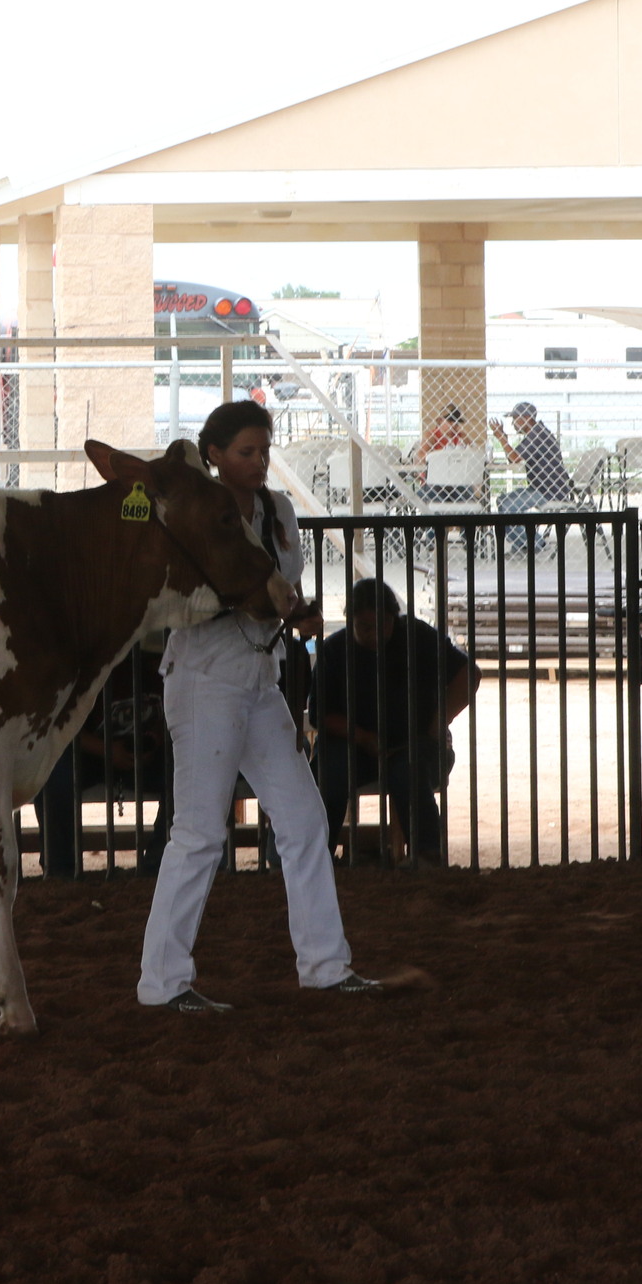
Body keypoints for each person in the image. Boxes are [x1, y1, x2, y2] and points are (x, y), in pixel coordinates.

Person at [137, 400, 398, 1012]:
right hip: (204, 677)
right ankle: (162, 982)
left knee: (305, 821)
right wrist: (269, 606)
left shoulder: (278, 511)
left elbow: (283, 589)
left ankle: (326, 966)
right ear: (215, 456)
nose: (259, 462)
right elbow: (185, 599)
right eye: (246, 453)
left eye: (263, 450)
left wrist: (299, 614)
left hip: (259, 674)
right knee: (200, 831)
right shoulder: (193, 513)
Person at [311, 578, 479, 867]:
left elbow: (469, 673)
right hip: (355, 746)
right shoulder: (334, 650)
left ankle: (427, 853)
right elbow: (321, 714)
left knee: (408, 768)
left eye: (383, 625)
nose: (375, 635)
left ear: (394, 618)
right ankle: (315, 855)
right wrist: (363, 738)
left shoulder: (417, 635)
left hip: (417, 745)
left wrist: (440, 719)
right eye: (365, 628)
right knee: (329, 771)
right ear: (349, 622)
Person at [33, 642, 169, 880]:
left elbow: (175, 715)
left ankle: (159, 864)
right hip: (91, 755)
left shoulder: (160, 669)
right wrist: (107, 750)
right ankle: (61, 869)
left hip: (143, 753)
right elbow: (59, 724)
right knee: (53, 770)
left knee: (189, 768)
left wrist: (155, 738)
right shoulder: (87, 671)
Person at [487, 401, 575, 511]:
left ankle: (521, 529)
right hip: (540, 489)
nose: (513, 423)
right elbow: (512, 458)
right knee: (501, 500)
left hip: (549, 492)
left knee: (507, 505)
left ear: (527, 418)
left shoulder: (538, 434)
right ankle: (516, 528)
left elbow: (515, 458)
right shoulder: (534, 433)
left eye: (515, 418)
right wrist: (504, 438)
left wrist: (501, 438)